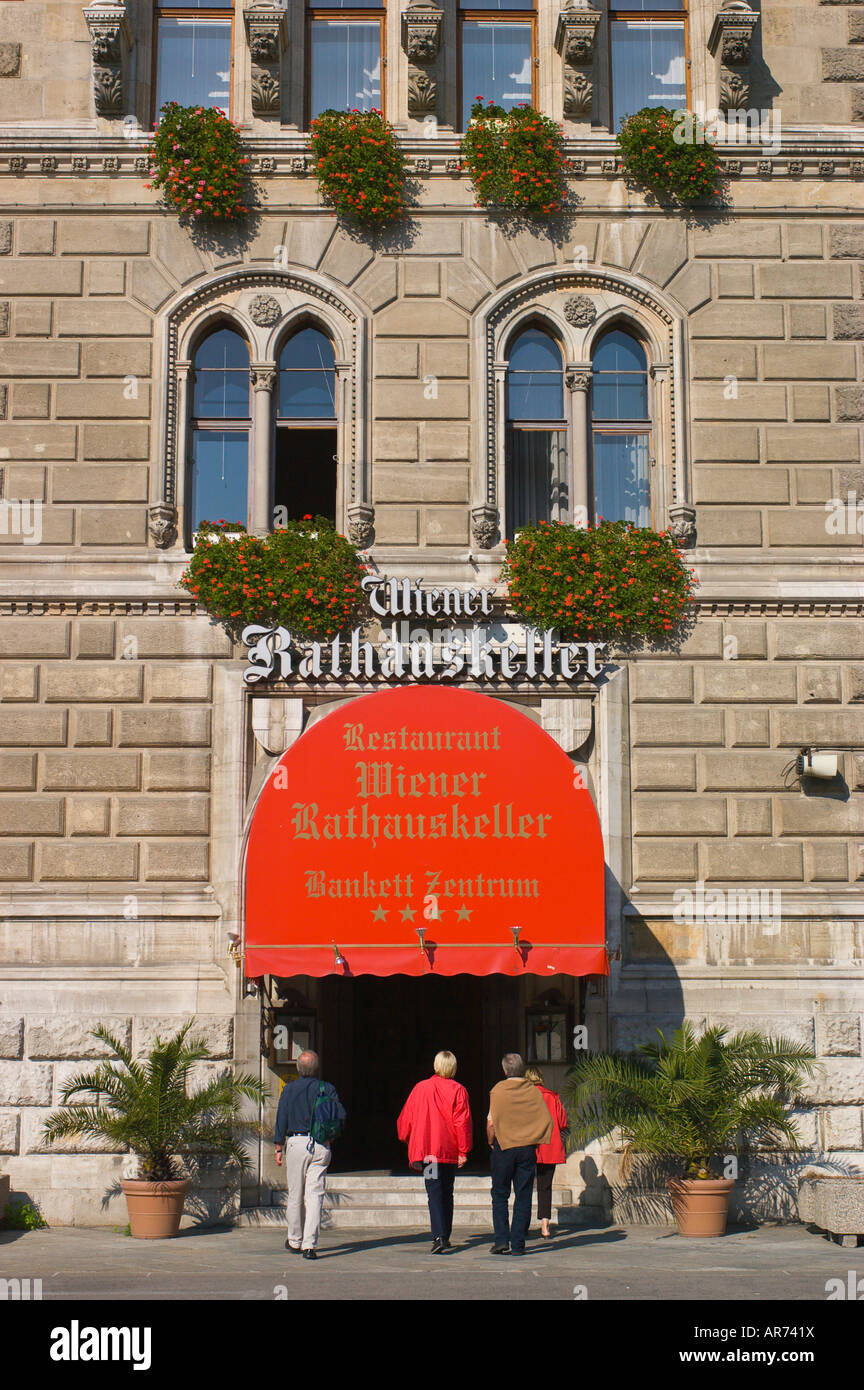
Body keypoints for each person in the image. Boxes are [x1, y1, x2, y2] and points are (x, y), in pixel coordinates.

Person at [397, 1050, 472, 1254]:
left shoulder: (421, 1088)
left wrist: (405, 1137)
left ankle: (438, 1235)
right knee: (448, 1191)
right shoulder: (459, 1090)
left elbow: (406, 1117)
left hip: (429, 1153)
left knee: (434, 1192)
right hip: (448, 1152)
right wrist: (463, 1150)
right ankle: (444, 1234)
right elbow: (462, 1122)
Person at [273, 1050, 346, 1260]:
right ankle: (310, 1245)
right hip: (320, 1144)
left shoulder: (289, 1090)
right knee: (315, 1195)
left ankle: (294, 1239)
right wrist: (331, 1137)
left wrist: (278, 1146)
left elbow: (281, 1118)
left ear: (298, 1069)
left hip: (296, 1143)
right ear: (317, 1069)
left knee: (295, 1194)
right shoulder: (327, 1088)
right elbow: (340, 1115)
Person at [486, 1052, 553, 1257]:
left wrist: (491, 1141)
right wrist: (536, 1138)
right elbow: (546, 1119)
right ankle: (518, 1243)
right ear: (522, 1070)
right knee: (523, 1194)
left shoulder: (497, 1090)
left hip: (504, 1147)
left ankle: (500, 1240)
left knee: (500, 1194)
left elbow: (490, 1122)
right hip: (526, 1148)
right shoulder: (533, 1091)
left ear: (505, 1070)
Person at [524, 1064, 569, 1239]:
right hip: (549, 1146)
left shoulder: (525, 1097)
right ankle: (545, 1225)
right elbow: (563, 1121)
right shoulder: (552, 1097)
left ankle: (524, 1224)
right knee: (545, 1187)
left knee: (524, 1187)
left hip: (528, 1145)